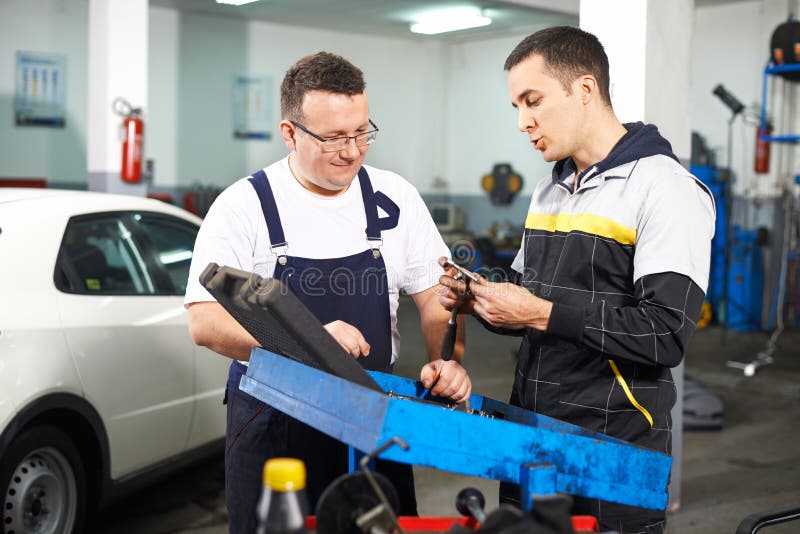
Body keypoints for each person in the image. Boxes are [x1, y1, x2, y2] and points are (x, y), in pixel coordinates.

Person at [438, 27, 715, 533]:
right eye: (517, 106)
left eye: (533, 100)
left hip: (611, 453)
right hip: (531, 438)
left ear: (583, 90)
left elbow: (665, 333)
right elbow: (526, 303)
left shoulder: (665, 189)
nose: (523, 122)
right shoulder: (550, 188)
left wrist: (538, 312)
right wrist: (478, 296)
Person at [184, 51, 471, 533]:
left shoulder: (396, 199)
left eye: (362, 132)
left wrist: (449, 358)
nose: (352, 150)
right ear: (290, 133)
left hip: (373, 418)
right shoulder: (244, 206)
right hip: (273, 425)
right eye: (334, 137)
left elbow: (435, 297)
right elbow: (204, 322)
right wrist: (307, 340)